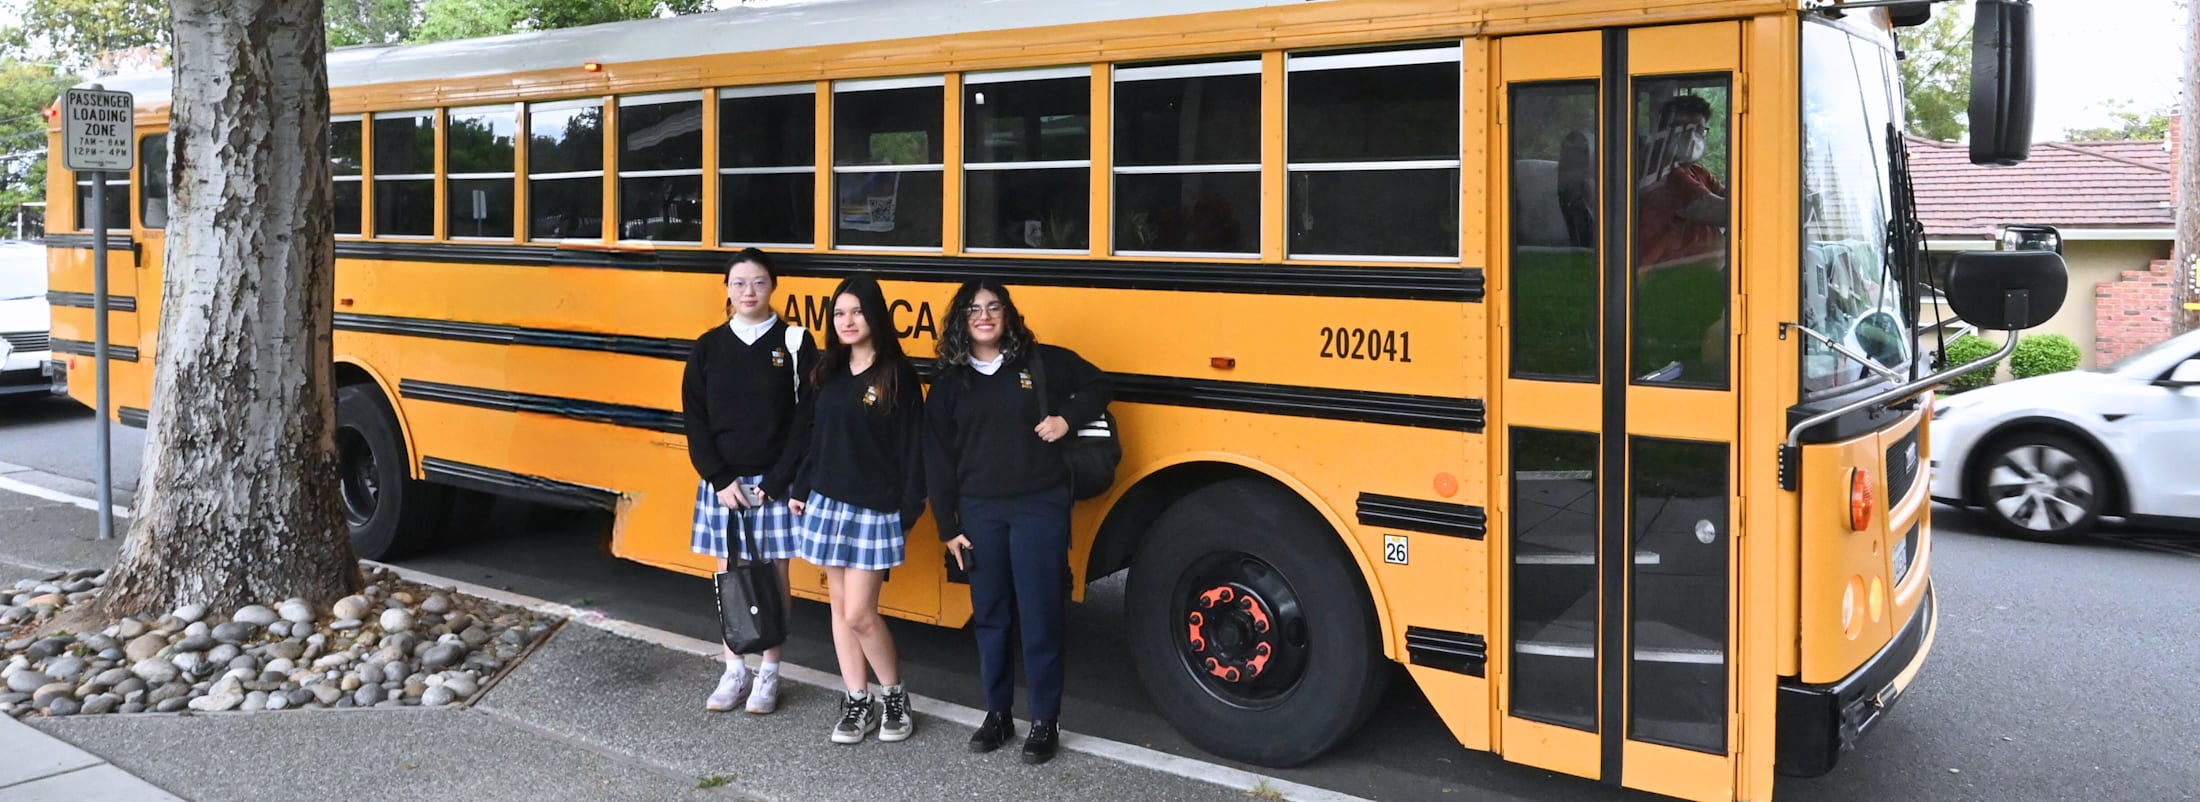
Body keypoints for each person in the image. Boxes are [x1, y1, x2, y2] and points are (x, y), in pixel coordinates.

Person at [923, 281, 1111, 765]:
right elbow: (938, 459)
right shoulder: (950, 381)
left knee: (1041, 615)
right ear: (961, 321)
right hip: (981, 512)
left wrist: (1066, 419)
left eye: (994, 308)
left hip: (1039, 507)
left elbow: (1098, 384)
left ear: (1008, 314)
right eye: (974, 310)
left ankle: (1045, 720)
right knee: (991, 617)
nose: (984, 317)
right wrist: (948, 526)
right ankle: (998, 714)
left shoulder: (1039, 362)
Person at [787, 273, 927, 745]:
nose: (847, 321)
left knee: (859, 613)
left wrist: (909, 509)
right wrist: (801, 487)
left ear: (875, 316)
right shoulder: (828, 370)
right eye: (840, 313)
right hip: (826, 501)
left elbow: (913, 447)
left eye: (857, 312)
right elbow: (815, 438)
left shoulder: (896, 374)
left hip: (874, 509)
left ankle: (894, 695)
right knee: (839, 607)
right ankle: (856, 699)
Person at [681, 247, 814, 715]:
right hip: (725, 484)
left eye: (758, 282)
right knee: (728, 573)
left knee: (775, 574)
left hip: (773, 482)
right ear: (727, 289)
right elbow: (695, 419)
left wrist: (779, 481)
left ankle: (769, 673)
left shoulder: (795, 342)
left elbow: (806, 418)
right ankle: (733, 667)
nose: (748, 291)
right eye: (739, 283)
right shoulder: (708, 347)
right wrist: (718, 478)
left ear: (773, 286)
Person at [1636, 93, 1729, 271]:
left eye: (1699, 130)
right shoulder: (1663, 177)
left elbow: (1733, 197)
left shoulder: (1697, 172)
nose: (1693, 137)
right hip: (1668, 282)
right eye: (1685, 129)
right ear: (1665, 132)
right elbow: (1725, 212)